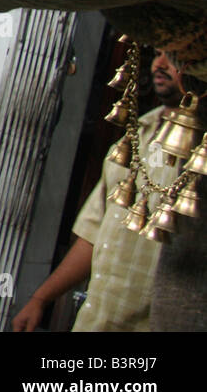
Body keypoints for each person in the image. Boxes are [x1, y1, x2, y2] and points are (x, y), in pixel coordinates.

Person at [11, 48, 182, 332]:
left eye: (175, 57)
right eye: (158, 53)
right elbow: (95, 233)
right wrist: (41, 298)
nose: (160, 64)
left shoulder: (198, 157)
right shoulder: (138, 134)